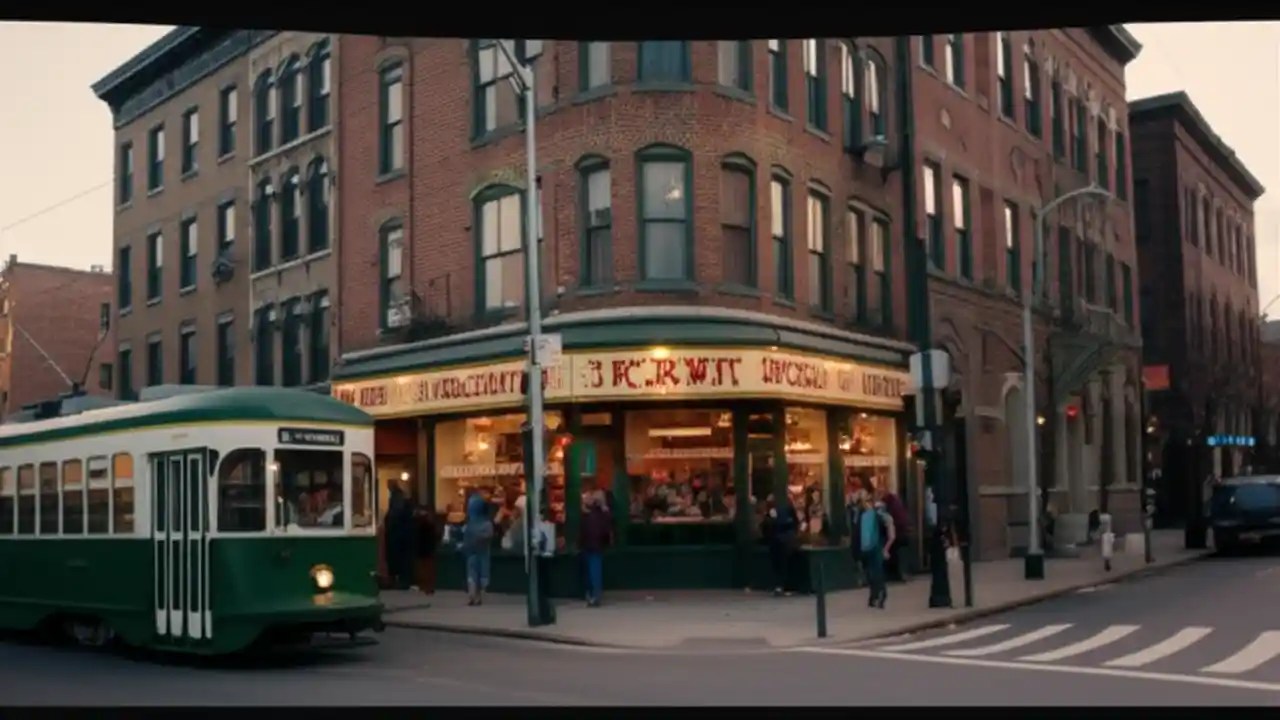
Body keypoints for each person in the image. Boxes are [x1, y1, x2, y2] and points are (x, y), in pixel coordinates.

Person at [853, 491, 895, 609]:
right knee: (872, 573)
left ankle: (878, 594)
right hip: (867, 547)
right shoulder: (862, 516)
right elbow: (857, 534)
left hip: (875, 546)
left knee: (875, 572)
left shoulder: (878, 514)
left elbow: (891, 533)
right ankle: (875, 595)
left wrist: (886, 548)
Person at [579, 491, 612, 607]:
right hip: (595, 545)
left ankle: (593, 595)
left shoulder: (590, 513)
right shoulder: (600, 513)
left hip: (591, 545)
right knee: (593, 572)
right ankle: (594, 595)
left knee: (592, 572)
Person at [463, 492, 494, 606]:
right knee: (482, 572)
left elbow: (466, 536)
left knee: (472, 572)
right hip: (482, 551)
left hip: (472, 551)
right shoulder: (486, 523)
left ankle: (472, 595)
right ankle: (478, 596)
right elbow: (489, 535)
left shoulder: (470, 524)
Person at [876, 485, 912, 582]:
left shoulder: (890, 503)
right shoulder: (894, 501)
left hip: (898, 532)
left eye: (879, 494)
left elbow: (893, 519)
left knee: (893, 552)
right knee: (896, 553)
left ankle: (896, 574)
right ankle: (898, 574)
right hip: (900, 532)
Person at [383, 484, 415, 590]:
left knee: (397, 559)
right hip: (403, 536)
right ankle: (402, 580)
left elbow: (393, 516)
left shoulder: (397, 503)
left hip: (398, 536)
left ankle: (398, 580)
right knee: (403, 560)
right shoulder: (405, 505)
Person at [767, 494, 799, 597]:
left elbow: (769, 525)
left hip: (779, 541)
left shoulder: (775, 512)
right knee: (784, 564)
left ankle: (780, 586)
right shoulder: (787, 511)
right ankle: (783, 586)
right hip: (785, 541)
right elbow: (795, 523)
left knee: (779, 564)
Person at [413, 506, 438, 598]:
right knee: (428, 570)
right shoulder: (430, 526)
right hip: (428, 550)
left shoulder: (418, 525)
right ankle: (428, 587)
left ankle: (424, 587)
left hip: (422, 550)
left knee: (422, 569)